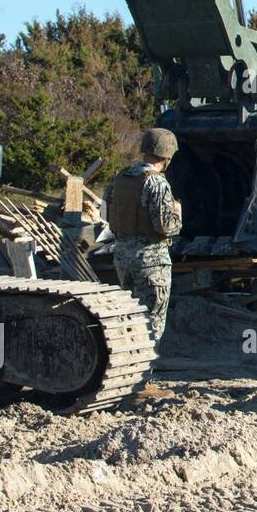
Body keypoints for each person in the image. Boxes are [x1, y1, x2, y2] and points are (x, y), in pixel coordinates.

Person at [104, 127, 182, 400]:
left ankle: (124, 377)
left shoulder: (120, 179)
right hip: (151, 260)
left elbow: (108, 214)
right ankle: (142, 383)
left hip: (122, 255)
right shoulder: (157, 183)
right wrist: (178, 215)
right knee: (152, 321)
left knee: (130, 320)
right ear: (167, 155)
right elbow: (166, 226)